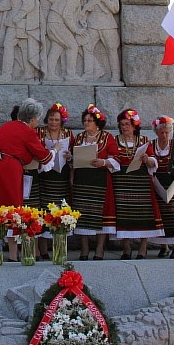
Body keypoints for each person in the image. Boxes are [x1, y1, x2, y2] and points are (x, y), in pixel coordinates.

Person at [0, 98, 53, 262]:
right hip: (7, 168)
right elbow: (44, 157)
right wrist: (55, 150)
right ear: (33, 118)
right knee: (11, 207)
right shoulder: (28, 131)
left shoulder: (6, 126)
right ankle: (13, 255)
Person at [112, 109, 163, 260]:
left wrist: (148, 159)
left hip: (140, 182)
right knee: (124, 214)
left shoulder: (144, 141)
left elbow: (154, 162)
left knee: (144, 214)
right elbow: (113, 157)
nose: (124, 127)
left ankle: (143, 247)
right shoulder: (115, 141)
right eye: (122, 125)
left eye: (127, 124)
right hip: (122, 181)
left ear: (135, 126)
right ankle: (126, 247)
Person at [71, 104, 119, 261]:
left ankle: (99, 248)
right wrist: (69, 157)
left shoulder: (107, 137)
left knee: (101, 215)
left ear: (97, 123)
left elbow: (116, 159)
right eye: (85, 120)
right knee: (83, 214)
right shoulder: (79, 138)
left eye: (90, 121)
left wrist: (104, 162)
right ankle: (84, 248)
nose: (86, 123)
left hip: (100, 181)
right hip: (82, 180)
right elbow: (74, 157)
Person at [36, 103, 73, 260]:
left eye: (56, 120)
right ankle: (42, 248)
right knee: (44, 210)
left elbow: (74, 153)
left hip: (61, 176)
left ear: (61, 121)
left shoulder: (68, 134)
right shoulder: (39, 132)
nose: (53, 123)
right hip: (44, 176)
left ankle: (58, 246)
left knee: (59, 210)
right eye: (51, 119)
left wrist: (70, 156)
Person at [147, 116, 174, 259]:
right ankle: (163, 246)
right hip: (157, 183)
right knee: (161, 215)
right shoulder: (151, 145)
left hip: (173, 184)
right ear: (156, 132)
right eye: (161, 132)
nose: (164, 135)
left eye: (166, 132)